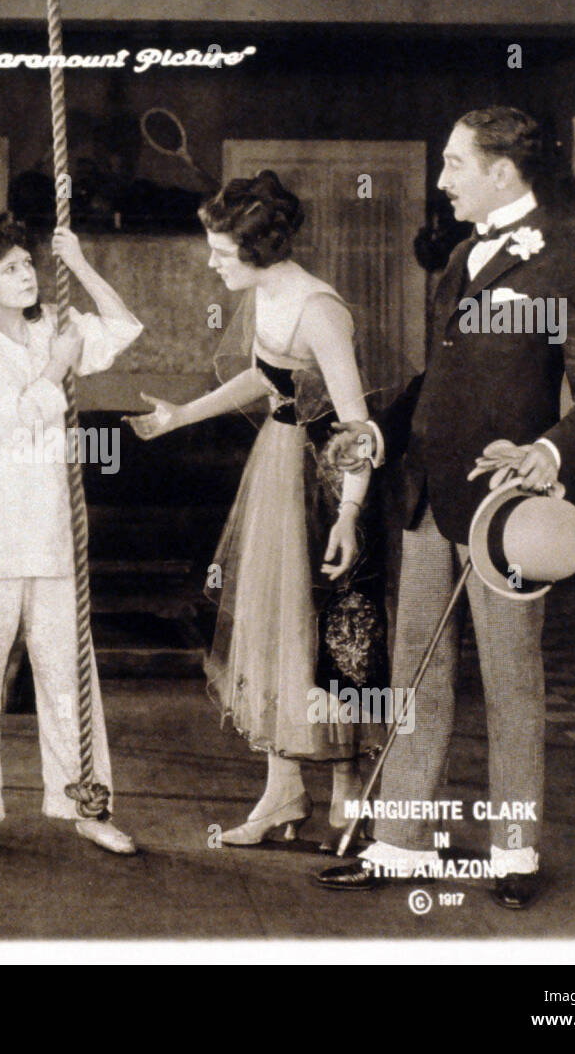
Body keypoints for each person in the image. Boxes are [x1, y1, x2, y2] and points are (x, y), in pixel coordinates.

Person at [315, 106, 575, 909]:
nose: (443, 179)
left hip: (507, 514)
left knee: (511, 678)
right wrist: (380, 437)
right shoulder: (458, 258)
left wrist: (547, 452)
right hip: (426, 497)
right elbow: (437, 383)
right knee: (415, 673)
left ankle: (516, 855)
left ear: (501, 172)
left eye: (455, 164)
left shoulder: (568, 264)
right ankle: (399, 841)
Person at [127, 171, 385, 846]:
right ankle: (283, 792)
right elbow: (265, 379)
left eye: (220, 250)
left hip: (322, 478)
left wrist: (351, 512)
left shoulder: (318, 308)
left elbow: (356, 426)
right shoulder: (269, 295)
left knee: (329, 630)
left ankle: (347, 794)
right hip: (278, 459)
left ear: (260, 249)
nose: (210, 261)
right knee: (276, 626)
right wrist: (179, 416)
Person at [0, 213, 141, 859]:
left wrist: (77, 264)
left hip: (47, 536)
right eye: (11, 268)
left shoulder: (52, 324)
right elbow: (15, 421)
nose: (26, 275)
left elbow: (126, 328)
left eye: (30, 264)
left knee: (69, 681)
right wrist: (57, 367)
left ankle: (86, 807)